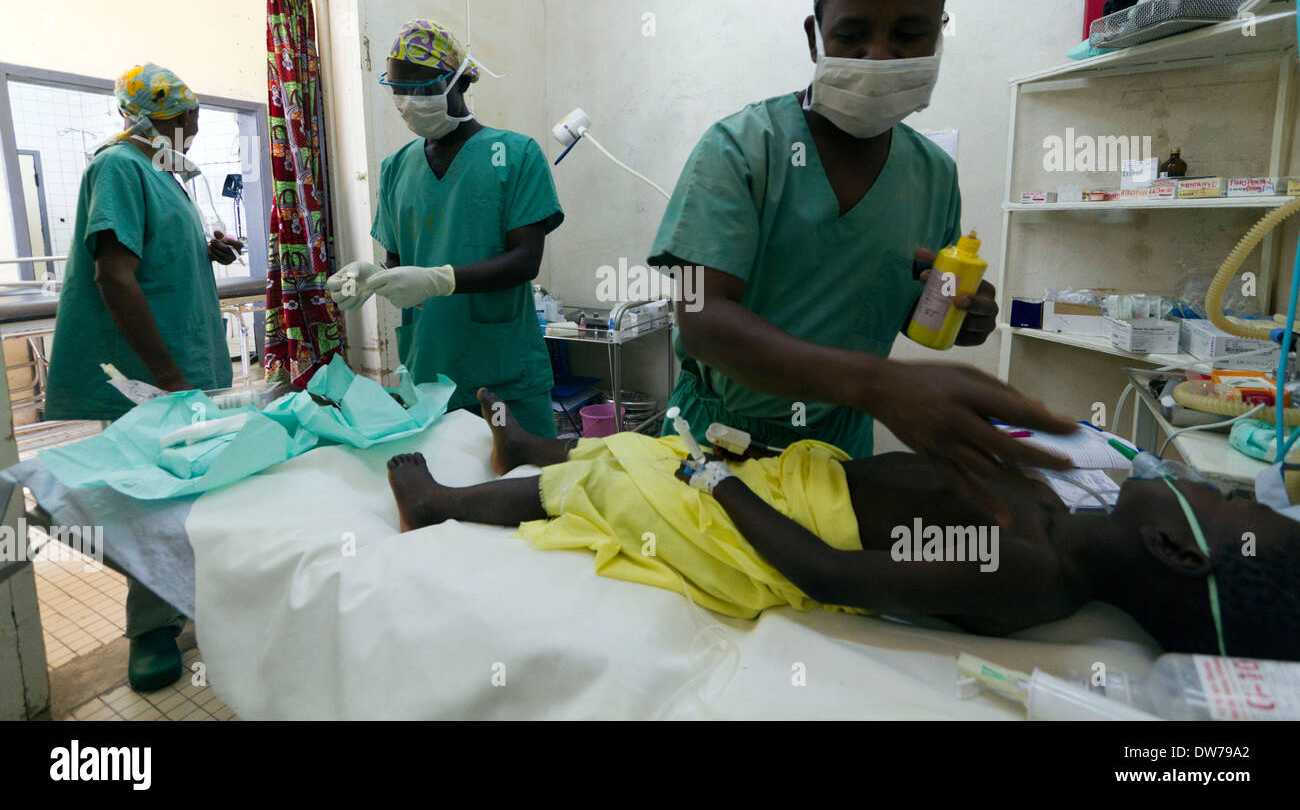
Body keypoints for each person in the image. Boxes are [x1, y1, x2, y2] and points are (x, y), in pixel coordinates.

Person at [647, 0, 1076, 491]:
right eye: (852, 34)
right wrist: (882, 386)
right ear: (814, 37)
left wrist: (959, 317)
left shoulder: (933, 176)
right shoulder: (743, 149)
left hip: (837, 450)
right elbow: (702, 323)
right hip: (712, 440)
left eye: (908, 33)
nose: (878, 55)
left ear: (938, 37)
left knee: (823, 575)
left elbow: (894, 307)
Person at [385, 390, 1300, 661]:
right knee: (642, 443)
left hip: (768, 534)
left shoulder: (1026, 570)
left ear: (1175, 550)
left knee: (627, 480)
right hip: (799, 480)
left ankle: (451, 503)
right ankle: (537, 444)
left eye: (1230, 502)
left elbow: (832, 576)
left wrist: (722, 486)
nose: (1213, 484)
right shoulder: (1060, 510)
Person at [44, 62, 244, 691]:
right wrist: (165, 375)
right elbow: (112, 275)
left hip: (187, 368)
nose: (193, 130)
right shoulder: (119, 168)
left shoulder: (163, 179)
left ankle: (194, 601)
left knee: (193, 491)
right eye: (190, 118)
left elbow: (148, 258)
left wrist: (204, 250)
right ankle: (151, 630)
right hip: (153, 380)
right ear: (165, 115)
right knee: (151, 500)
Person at [328, 20, 563, 436]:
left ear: (459, 81)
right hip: (427, 373)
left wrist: (441, 280)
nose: (409, 103)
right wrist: (371, 278)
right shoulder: (396, 168)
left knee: (524, 485)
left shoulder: (516, 154)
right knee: (445, 488)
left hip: (503, 373)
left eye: (422, 90)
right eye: (399, 91)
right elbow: (399, 265)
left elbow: (526, 260)